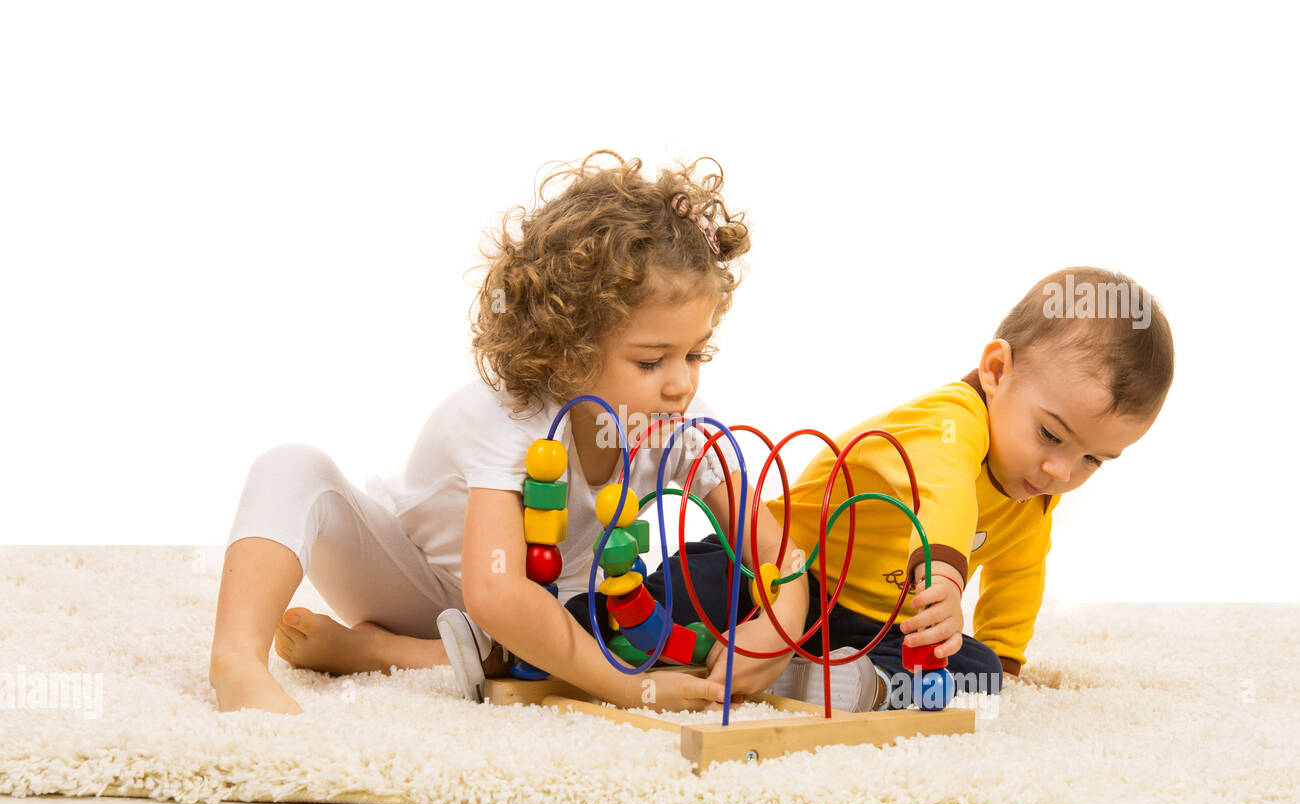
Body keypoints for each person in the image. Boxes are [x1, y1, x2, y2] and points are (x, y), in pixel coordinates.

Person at [208, 149, 807, 715]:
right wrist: (630, 688)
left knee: (594, 622)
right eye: (652, 362)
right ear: (568, 353)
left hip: (531, 622)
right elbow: (495, 593)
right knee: (293, 467)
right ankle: (237, 662)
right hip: (410, 581)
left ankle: (379, 653)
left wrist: (770, 633)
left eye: (696, 354)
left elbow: (785, 560)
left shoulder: (678, 429)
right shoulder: (508, 417)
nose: (681, 384)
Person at [622, 266, 1175, 711]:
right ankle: (629, 632)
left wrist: (1004, 658)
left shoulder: (1037, 496)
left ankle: (844, 680)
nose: (1061, 471)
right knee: (696, 582)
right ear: (997, 370)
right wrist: (947, 577)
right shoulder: (950, 422)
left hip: (869, 625)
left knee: (978, 673)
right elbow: (944, 489)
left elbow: (1020, 570)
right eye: (1051, 434)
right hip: (785, 569)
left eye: (1092, 460)